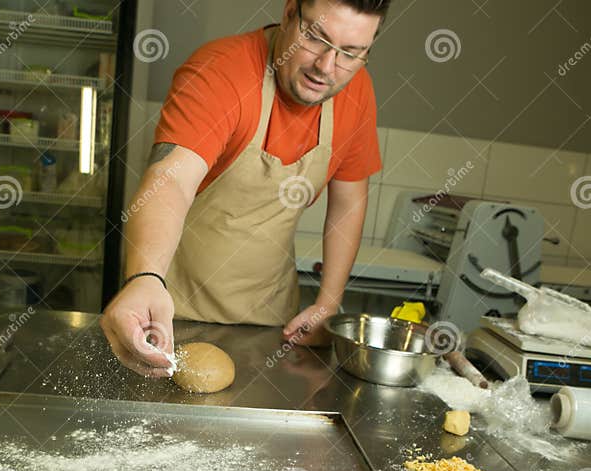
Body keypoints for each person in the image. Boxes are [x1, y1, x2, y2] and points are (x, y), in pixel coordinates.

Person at [101, 0, 390, 377]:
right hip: (170, 311)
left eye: (351, 54)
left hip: (272, 322)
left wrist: (329, 302)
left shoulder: (356, 91)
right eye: (316, 38)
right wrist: (144, 279)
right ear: (289, 13)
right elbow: (170, 181)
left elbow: (349, 201)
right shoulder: (221, 70)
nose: (326, 66)